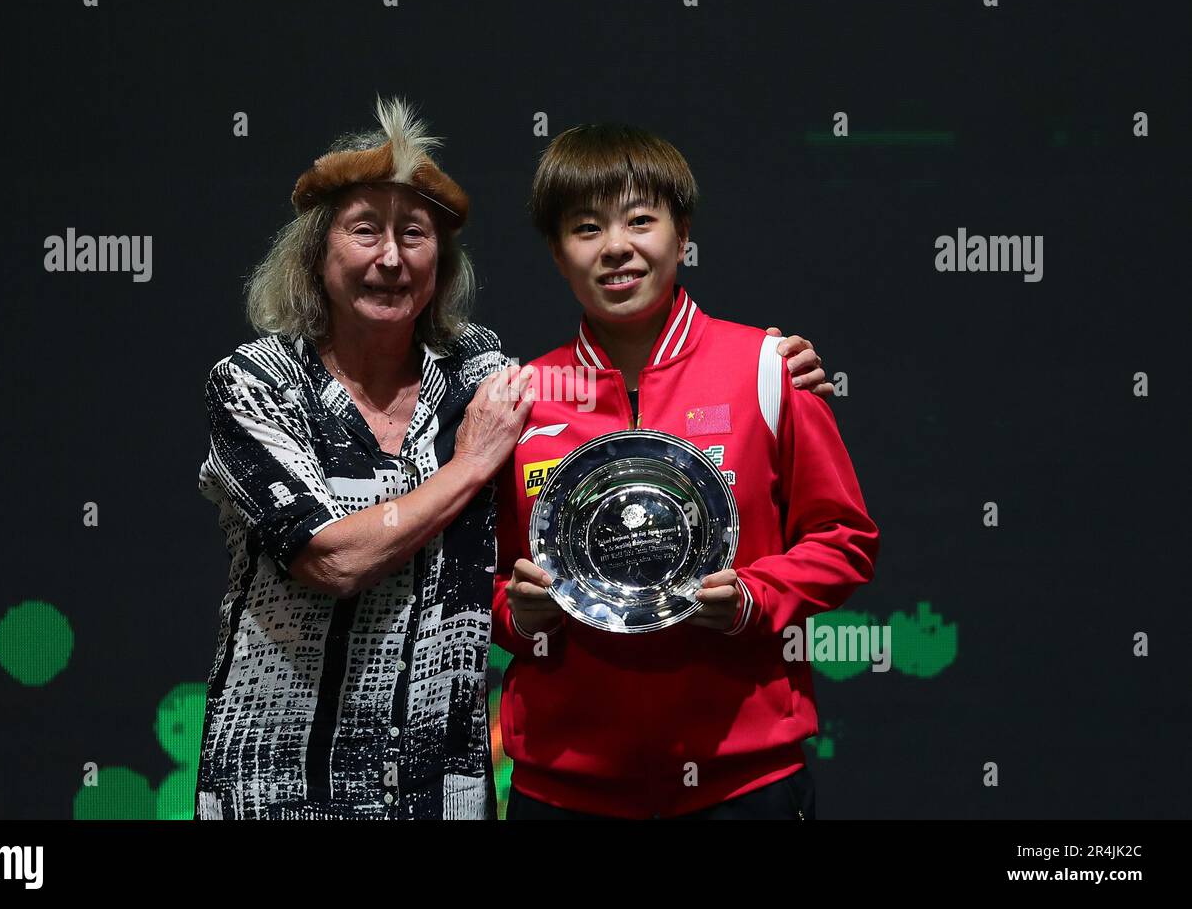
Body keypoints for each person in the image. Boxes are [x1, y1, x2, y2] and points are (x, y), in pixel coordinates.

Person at [196, 97, 830, 819]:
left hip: (442, 778)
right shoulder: (261, 382)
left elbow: (502, 574)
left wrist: (770, 366)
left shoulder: (482, 379)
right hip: (284, 765)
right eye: (365, 230)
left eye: (415, 233)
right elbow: (331, 560)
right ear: (315, 252)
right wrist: (470, 475)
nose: (391, 257)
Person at [494, 123, 880, 819]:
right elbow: (476, 584)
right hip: (565, 784)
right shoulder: (519, 399)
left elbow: (844, 540)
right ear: (557, 253)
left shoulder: (767, 369)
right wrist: (516, 615)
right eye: (586, 228)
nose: (617, 247)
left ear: (682, 233)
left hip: (744, 779)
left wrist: (753, 601)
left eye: (641, 220)